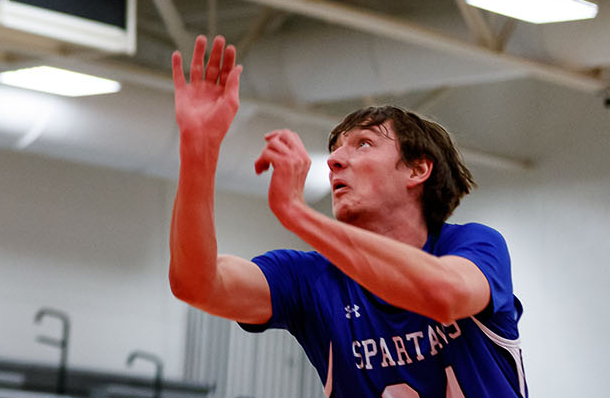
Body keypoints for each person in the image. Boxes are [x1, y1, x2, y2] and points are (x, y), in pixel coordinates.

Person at [168, 35, 527, 396]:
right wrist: (198, 148)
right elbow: (197, 284)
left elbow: (442, 296)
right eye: (335, 149)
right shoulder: (310, 279)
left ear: (418, 170)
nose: (337, 160)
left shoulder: (473, 245)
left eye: (363, 144)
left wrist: (297, 213)